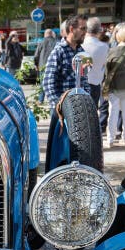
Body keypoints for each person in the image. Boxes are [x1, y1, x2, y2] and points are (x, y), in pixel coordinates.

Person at [43, 14, 89, 169]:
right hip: (63, 112)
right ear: (71, 29)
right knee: (61, 153)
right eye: (82, 28)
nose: (85, 32)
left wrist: (88, 102)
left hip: (80, 110)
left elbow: (84, 81)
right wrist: (59, 107)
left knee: (79, 151)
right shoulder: (59, 51)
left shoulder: (82, 51)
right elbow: (48, 83)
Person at [82, 17, 109, 126]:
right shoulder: (104, 46)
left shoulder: (81, 45)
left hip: (82, 82)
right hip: (96, 82)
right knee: (92, 113)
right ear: (99, 30)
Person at [35, 29, 58, 103]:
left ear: (45, 34)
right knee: (54, 83)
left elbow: (36, 55)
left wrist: (36, 64)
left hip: (43, 65)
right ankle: (53, 99)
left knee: (43, 83)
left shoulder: (41, 42)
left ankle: (40, 100)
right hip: (54, 65)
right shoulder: (56, 42)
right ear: (51, 34)